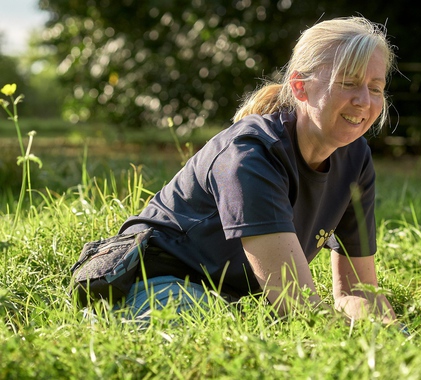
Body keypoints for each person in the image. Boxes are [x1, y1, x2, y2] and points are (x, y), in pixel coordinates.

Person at [118, 16, 399, 326]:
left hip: (237, 300)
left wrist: (384, 327)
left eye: (375, 88)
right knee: (233, 345)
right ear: (300, 87)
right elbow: (299, 307)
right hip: (160, 285)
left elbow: (356, 291)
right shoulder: (250, 156)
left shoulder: (356, 158)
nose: (364, 101)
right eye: (347, 83)